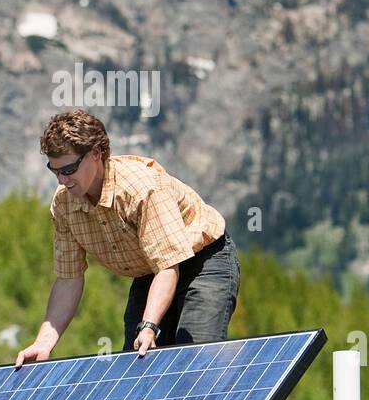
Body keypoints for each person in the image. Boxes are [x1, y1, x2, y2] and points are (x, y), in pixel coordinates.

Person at [15, 108, 240, 366]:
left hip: (203, 261)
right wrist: (43, 343)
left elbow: (167, 267)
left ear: (96, 155)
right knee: (138, 365)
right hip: (150, 269)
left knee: (197, 359)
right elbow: (69, 279)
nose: (62, 180)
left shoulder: (142, 188)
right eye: (54, 171)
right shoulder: (64, 205)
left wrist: (148, 326)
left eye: (68, 169)